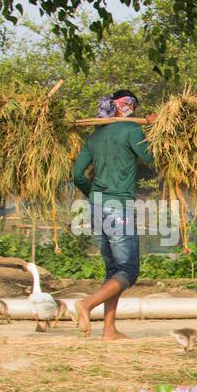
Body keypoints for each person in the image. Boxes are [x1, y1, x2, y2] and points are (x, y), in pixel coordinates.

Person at [71, 89, 154, 339]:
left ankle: (109, 330)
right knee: (128, 270)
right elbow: (150, 157)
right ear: (127, 106)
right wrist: (154, 130)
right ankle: (86, 304)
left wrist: (94, 193)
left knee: (113, 271)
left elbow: (76, 175)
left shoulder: (95, 136)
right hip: (118, 205)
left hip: (96, 205)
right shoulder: (131, 130)